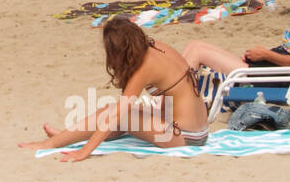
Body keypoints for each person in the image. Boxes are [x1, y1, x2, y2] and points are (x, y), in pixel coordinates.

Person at [17, 15, 211, 160]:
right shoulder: (156, 47)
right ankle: (66, 136)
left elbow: (116, 115)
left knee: (117, 114)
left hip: (186, 136)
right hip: (199, 129)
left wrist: (83, 153)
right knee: (118, 114)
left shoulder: (144, 68)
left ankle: (51, 143)